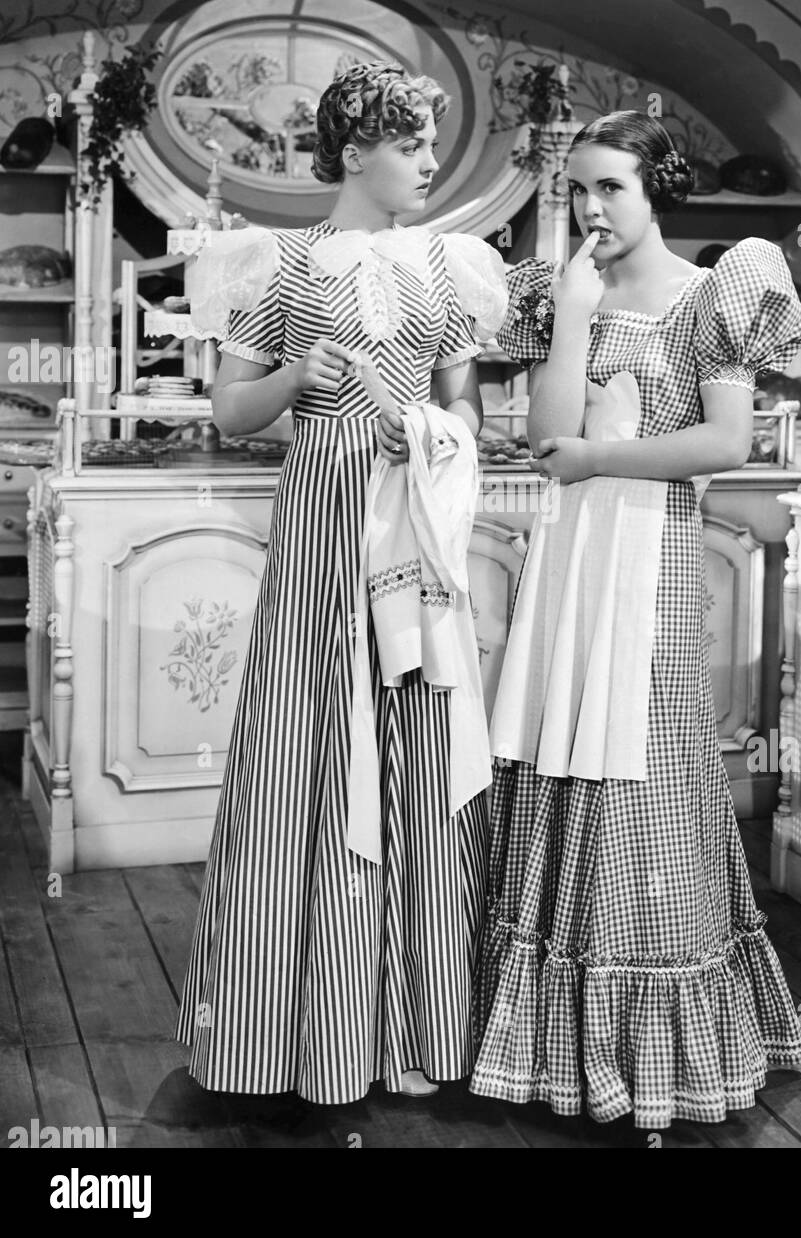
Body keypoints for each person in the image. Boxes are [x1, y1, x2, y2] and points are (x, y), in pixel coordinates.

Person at [469, 110, 801, 1129]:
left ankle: (656, 1050)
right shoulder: (567, 292)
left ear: (657, 186)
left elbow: (724, 441)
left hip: (652, 562)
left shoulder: (712, 297)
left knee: (646, 773)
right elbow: (542, 434)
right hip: (570, 563)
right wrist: (571, 314)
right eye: (576, 189)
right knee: (561, 762)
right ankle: (554, 1046)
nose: (589, 207)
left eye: (609, 186)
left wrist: (596, 458)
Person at [176, 62, 505, 1103]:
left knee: (415, 731)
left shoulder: (452, 268)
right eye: (409, 145)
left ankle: (413, 1033)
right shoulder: (275, 266)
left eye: (427, 145)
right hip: (321, 526)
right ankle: (287, 1041)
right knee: (304, 742)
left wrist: (426, 436)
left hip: (408, 521)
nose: (425, 164)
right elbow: (230, 415)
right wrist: (295, 379)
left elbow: (472, 421)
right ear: (355, 149)